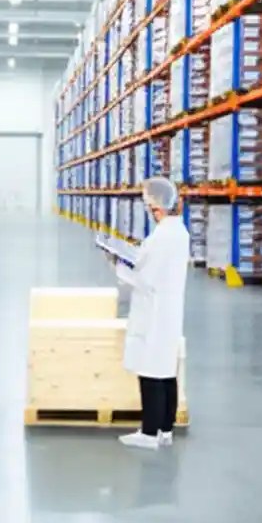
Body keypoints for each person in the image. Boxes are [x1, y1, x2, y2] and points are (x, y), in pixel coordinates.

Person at [116, 177, 189, 450]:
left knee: (150, 371)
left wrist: (120, 265)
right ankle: (165, 429)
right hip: (168, 308)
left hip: (156, 309)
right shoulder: (178, 232)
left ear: (157, 206)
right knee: (166, 370)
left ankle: (148, 433)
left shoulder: (163, 236)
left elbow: (145, 277)